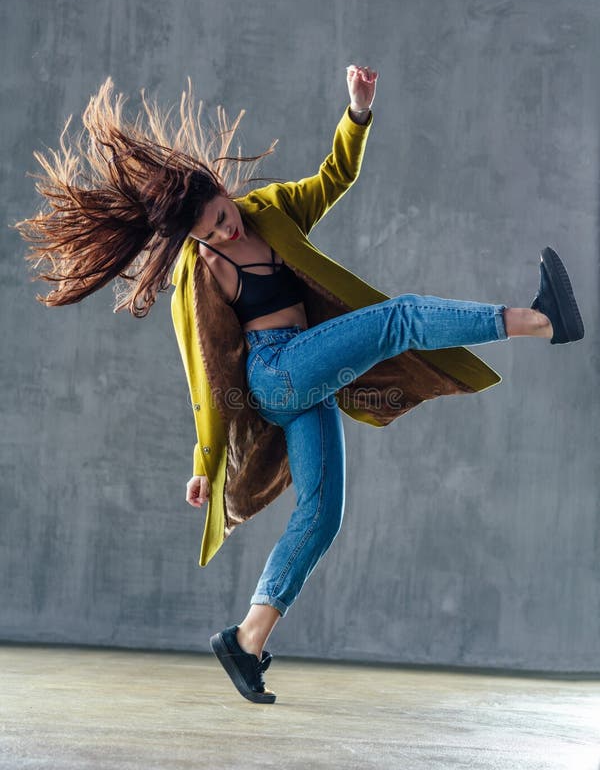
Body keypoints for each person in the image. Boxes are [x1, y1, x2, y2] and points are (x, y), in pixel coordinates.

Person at [13, 66, 584, 705]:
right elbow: (207, 377)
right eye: (208, 231)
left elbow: (334, 178)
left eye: (222, 216)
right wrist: (205, 463)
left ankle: (245, 640)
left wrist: (357, 113)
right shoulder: (200, 279)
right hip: (276, 375)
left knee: (321, 515)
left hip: (308, 373)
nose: (224, 231)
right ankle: (541, 321)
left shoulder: (272, 211)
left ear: (224, 191)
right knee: (401, 318)